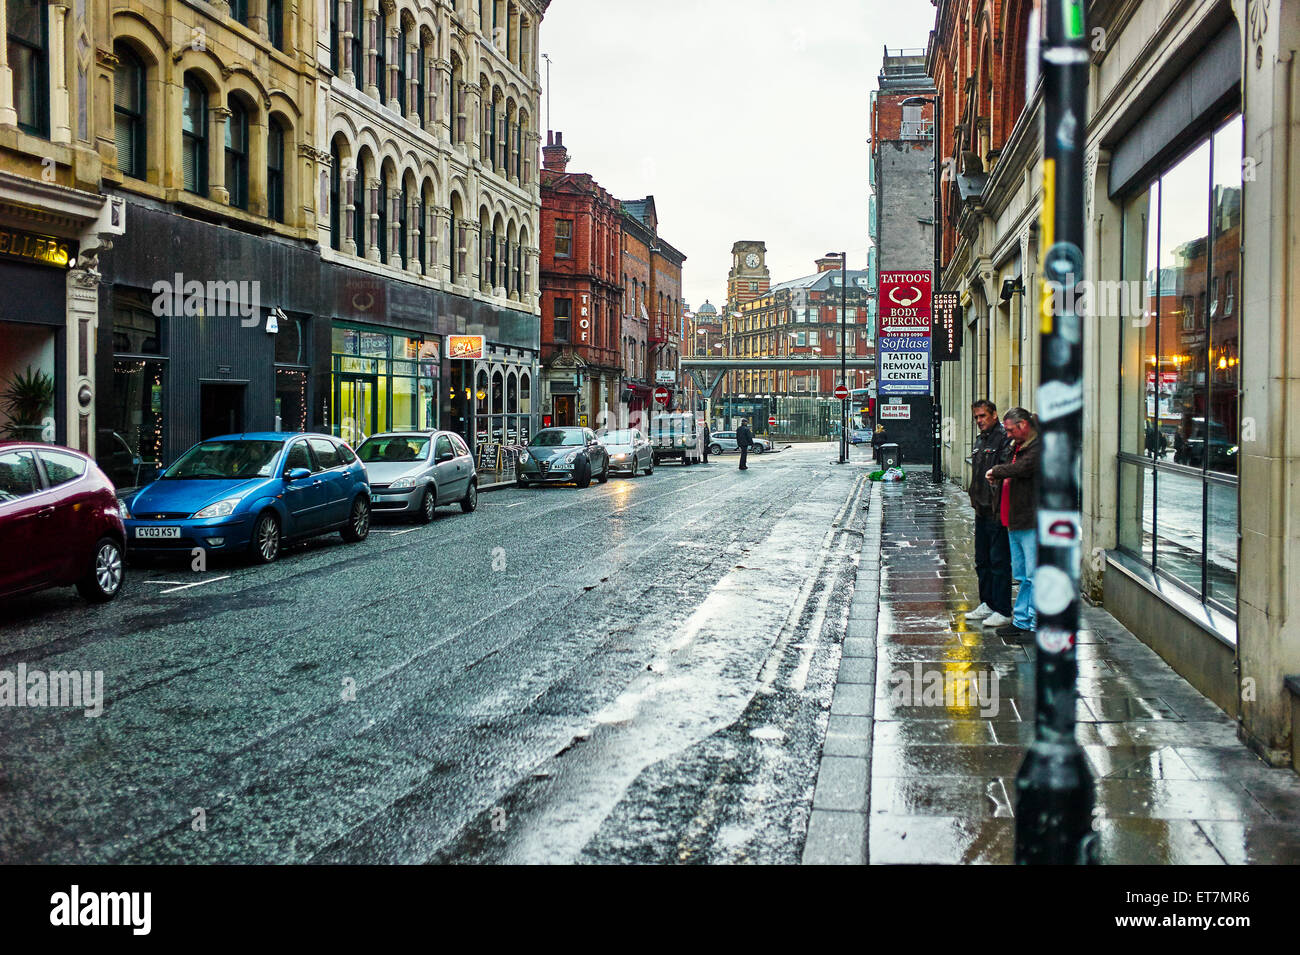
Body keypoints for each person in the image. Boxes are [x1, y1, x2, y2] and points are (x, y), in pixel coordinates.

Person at [986, 407, 1040, 640]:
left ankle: (1037, 624)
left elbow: (1023, 468)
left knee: (1035, 575)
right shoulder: (1015, 446)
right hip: (1014, 519)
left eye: (1010, 430)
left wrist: (997, 471)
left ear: (1023, 426)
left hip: (1032, 520)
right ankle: (1022, 621)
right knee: (1022, 575)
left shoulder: (1038, 446)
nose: (1006, 434)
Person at [966, 400, 1014, 630]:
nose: (979, 421)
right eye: (976, 417)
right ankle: (986, 602)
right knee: (981, 559)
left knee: (999, 560)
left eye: (983, 416)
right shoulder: (980, 440)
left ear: (994, 415)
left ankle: (1003, 609)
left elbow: (1006, 472)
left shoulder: (1004, 439)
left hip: (996, 509)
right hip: (981, 508)